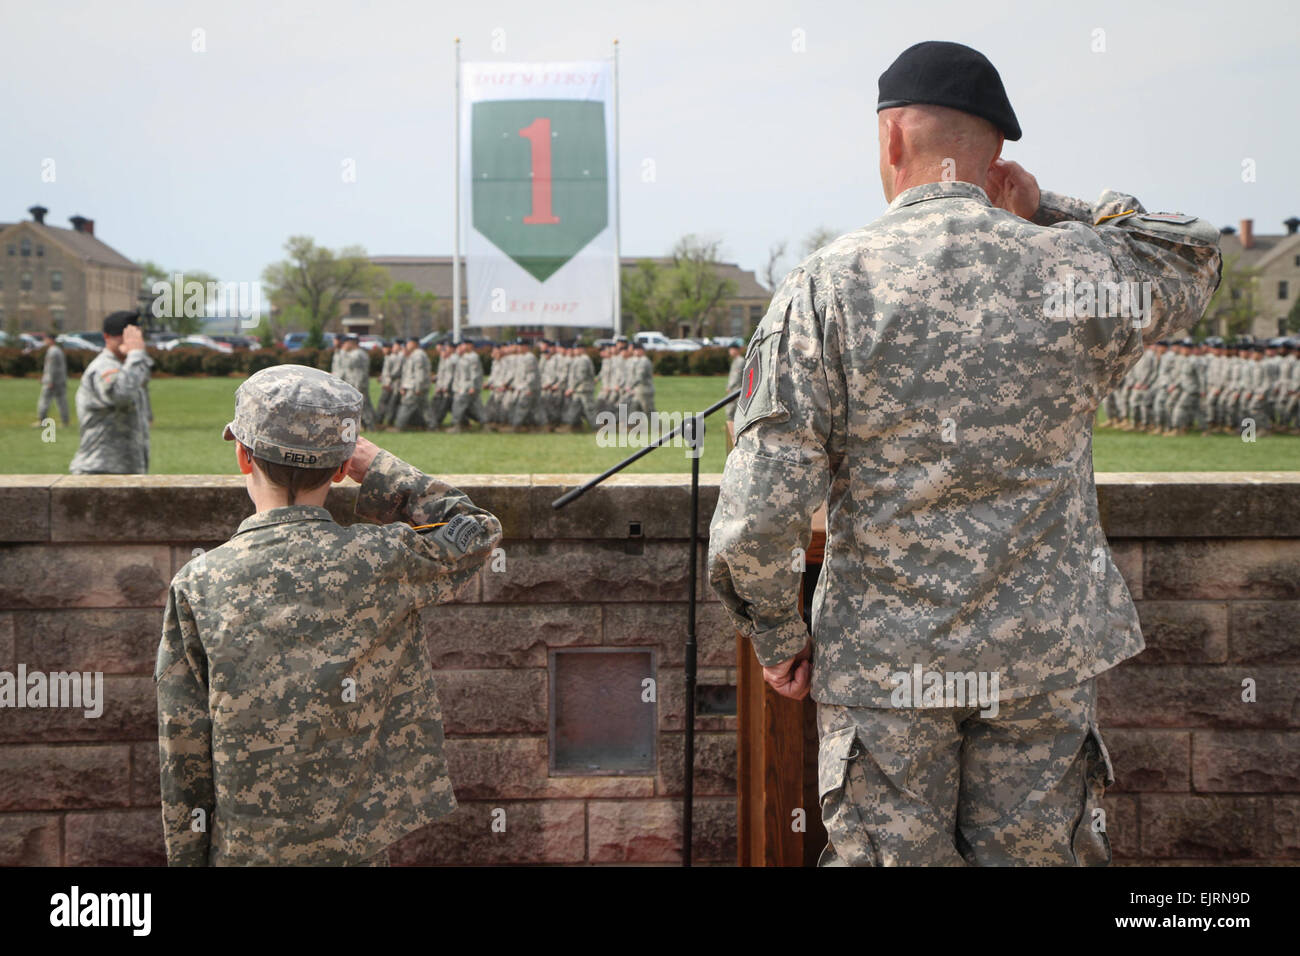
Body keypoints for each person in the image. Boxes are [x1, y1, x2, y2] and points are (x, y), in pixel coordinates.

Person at [707, 40, 1222, 867]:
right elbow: (1192, 250)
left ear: (891, 140)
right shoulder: (1073, 269)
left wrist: (776, 633)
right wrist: (1047, 204)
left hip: (889, 668)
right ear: (997, 158)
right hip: (1038, 660)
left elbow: (763, 503)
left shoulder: (828, 284)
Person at [155, 364, 502, 865]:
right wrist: (380, 466)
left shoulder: (200, 581)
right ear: (341, 469)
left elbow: (182, 748)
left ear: (241, 455)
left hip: (245, 851)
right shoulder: (382, 560)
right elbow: (477, 529)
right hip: (354, 849)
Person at [69, 311, 153, 474]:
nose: (131, 342)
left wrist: (136, 357)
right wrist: (136, 354)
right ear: (106, 337)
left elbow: (141, 377)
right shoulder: (103, 367)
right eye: (123, 336)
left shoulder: (127, 365)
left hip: (125, 471)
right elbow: (121, 395)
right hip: (98, 472)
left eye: (134, 337)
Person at [394, 338, 430, 431]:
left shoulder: (418, 355)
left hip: (415, 387)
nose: (407, 345)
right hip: (414, 386)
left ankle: (399, 426)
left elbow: (419, 373)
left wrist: (418, 387)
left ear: (414, 344)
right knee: (424, 407)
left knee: (406, 405)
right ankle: (432, 426)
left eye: (409, 343)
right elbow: (408, 373)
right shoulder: (413, 355)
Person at [34, 332, 69, 427]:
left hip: (53, 382)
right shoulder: (58, 350)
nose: (45, 341)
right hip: (60, 380)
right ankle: (65, 421)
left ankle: (42, 421)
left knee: (44, 400)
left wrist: (49, 380)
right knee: (62, 401)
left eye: (46, 339)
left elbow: (51, 368)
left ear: (51, 340)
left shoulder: (52, 351)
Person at [449, 342, 483, 432]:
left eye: (464, 345)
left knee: (459, 405)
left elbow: (474, 373)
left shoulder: (473, 357)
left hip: (469, 386)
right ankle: (484, 423)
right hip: (462, 386)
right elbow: (452, 362)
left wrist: (473, 386)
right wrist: (458, 353)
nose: (461, 347)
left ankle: (456, 426)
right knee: (475, 407)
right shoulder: (463, 356)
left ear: (470, 345)